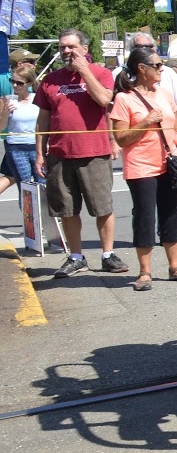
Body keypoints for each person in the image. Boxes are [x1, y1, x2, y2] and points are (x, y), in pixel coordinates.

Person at [36, 29, 124, 277]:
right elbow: (42, 120)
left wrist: (84, 71)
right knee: (67, 209)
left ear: (84, 49)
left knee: (102, 207)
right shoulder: (50, 80)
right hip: (60, 154)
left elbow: (104, 100)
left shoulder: (101, 73)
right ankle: (76, 257)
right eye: (62, 47)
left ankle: (108, 255)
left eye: (71, 47)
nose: (66, 51)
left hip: (94, 152)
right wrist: (40, 153)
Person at [108, 45, 177, 291]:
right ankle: (145, 271)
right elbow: (121, 138)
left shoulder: (165, 93)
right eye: (157, 65)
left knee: (171, 213)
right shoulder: (124, 98)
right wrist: (146, 122)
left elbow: (175, 130)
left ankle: (175, 267)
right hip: (140, 165)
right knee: (144, 216)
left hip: (169, 162)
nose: (161, 69)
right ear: (142, 69)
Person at [0, 62, 43, 197]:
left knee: (43, 184)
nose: (14, 85)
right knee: (25, 188)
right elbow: (1, 128)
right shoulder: (7, 100)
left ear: (29, 83)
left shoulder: (38, 99)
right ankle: (27, 211)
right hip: (16, 147)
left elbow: (46, 122)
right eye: (12, 81)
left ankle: (46, 211)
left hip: (36, 147)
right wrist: (5, 113)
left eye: (19, 83)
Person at [127, 30, 177, 117]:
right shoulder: (120, 73)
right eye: (139, 46)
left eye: (149, 46)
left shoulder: (169, 73)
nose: (145, 49)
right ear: (131, 50)